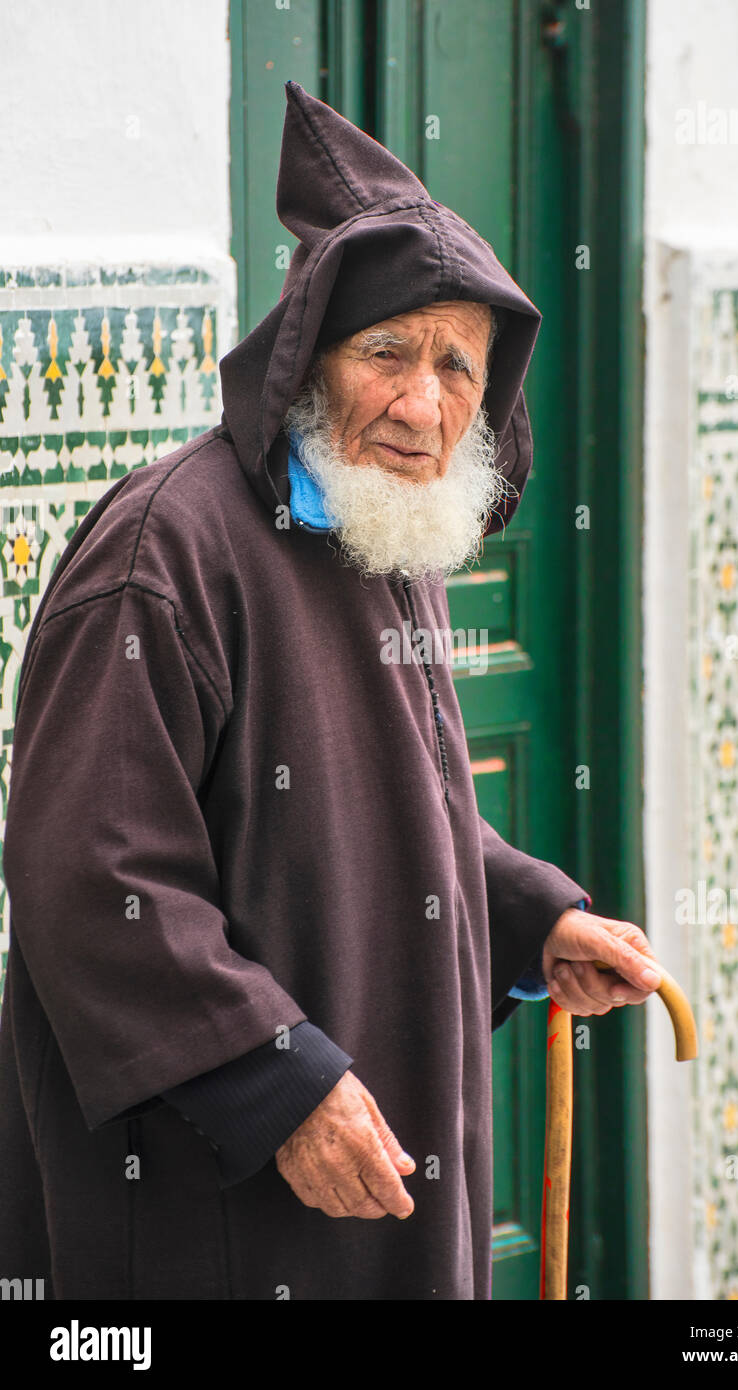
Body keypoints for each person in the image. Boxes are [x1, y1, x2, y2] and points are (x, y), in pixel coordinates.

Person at [0, 81, 661, 1301]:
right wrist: (275, 1080)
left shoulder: (388, 532)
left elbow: (386, 813)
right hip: (217, 1206)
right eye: (387, 352)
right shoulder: (168, 550)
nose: (424, 404)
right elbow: (91, 875)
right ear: (307, 360)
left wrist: (528, 917)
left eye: (458, 366)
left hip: (383, 1176)